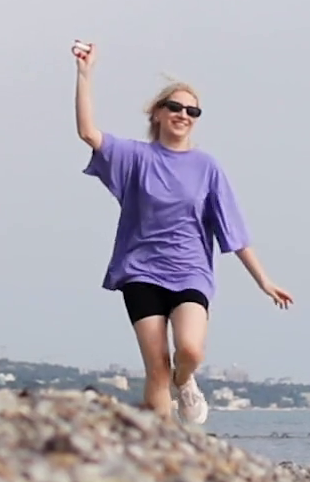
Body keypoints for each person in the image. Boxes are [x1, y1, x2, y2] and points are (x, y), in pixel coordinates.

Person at [73, 42, 293, 423]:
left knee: (190, 350)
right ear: (157, 114)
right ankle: (162, 448)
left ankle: (186, 382)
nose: (183, 114)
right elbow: (88, 133)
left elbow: (234, 232)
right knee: (156, 366)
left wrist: (265, 281)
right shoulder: (135, 157)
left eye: (192, 110)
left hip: (190, 272)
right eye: (174, 107)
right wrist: (84, 74)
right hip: (140, 272)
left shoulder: (207, 167)